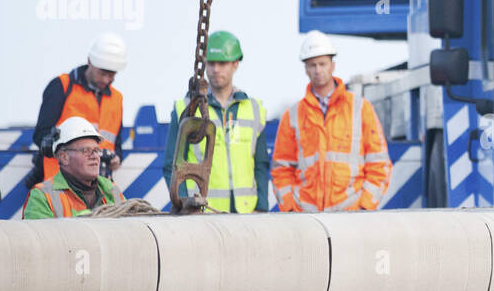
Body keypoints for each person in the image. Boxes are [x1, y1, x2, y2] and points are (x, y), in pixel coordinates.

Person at [271, 30, 391, 212]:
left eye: (322, 64)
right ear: (305, 68)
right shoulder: (293, 115)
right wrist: (290, 208)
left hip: (351, 213)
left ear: (332, 65)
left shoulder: (360, 108)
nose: (318, 70)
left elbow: (379, 164)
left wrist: (365, 207)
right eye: (312, 65)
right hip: (307, 217)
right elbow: (281, 169)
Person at [162, 30, 271, 213]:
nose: (215, 69)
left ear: (235, 64)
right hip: (202, 212)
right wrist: (183, 203)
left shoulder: (253, 109)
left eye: (222, 63)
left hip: (246, 213)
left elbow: (260, 164)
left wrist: (261, 207)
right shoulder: (186, 108)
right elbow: (170, 165)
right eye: (211, 63)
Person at [29, 33, 126, 187]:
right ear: (89, 62)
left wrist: (117, 158)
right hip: (60, 185)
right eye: (102, 73)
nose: (106, 80)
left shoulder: (117, 99)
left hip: (100, 187)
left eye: (112, 75)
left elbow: (116, 143)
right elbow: (41, 135)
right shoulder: (62, 86)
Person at [22, 117, 125, 218]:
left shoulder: (111, 189)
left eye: (96, 150)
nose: (94, 156)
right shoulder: (42, 197)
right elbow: (40, 235)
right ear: (64, 157)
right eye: (86, 150)